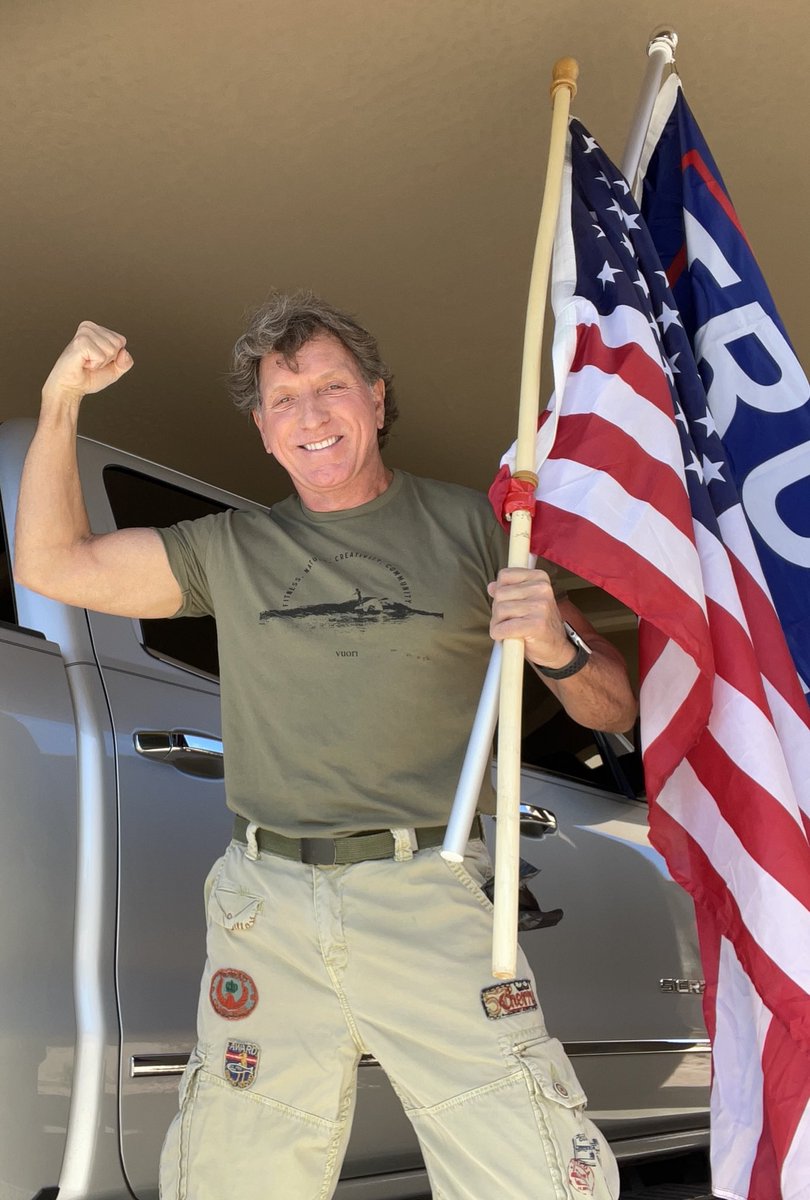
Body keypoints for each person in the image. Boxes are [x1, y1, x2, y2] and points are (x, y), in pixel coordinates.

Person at [16, 294, 638, 1200]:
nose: (310, 415)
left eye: (332, 387)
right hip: (265, 904)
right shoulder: (230, 549)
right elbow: (51, 565)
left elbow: (611, 706)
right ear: (264, 431)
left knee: (534, 1172)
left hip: (427, 889)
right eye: (283, 399)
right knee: (233, 1175)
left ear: (378, 400)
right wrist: (61, 401)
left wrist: (557, 644)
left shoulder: (479, 530)